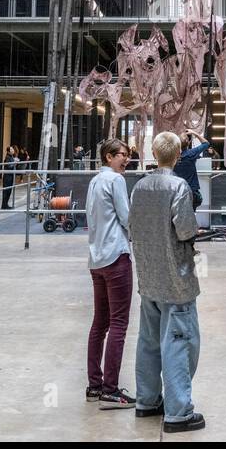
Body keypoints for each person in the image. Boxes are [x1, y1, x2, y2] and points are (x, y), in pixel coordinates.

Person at [128, 131, 205, 433]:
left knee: (148, 341)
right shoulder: (178, 186)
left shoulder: (139, 186)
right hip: (176, 279)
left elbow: (133, 223)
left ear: (153, 152)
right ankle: (178, 412)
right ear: (177, 156)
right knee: (178, 342)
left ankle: (146, 401)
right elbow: (185, 230)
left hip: (148, 276)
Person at [85, 139, 135, 409]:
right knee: (118, 323)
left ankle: (94, 385)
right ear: (108, 157)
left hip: (96, 259)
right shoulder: (115, 181)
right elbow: (126, 218)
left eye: (127, 155)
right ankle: (111, 389)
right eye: (121, 155)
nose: (126, 159)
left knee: (100, 323)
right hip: (116, 256)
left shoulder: (94, 181)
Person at [173, 131, 214, 210]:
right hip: (191, 191)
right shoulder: (191, 153)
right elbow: (206, 143)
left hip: (177, 192)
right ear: (189, 142)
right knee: (191, 212)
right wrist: (194, 133)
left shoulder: (174, 157)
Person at [0, 145, 18, 209]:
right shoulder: (8, 157)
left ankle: (5, 204)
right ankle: (4, 205)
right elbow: (9, 166)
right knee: (6, 191)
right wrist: (14, 163)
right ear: (8, 151)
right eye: (11, 150)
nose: (13, 150)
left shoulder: (11, 157)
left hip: (10, 176)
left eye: (12, 149)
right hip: (7, 177)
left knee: (9, 191)